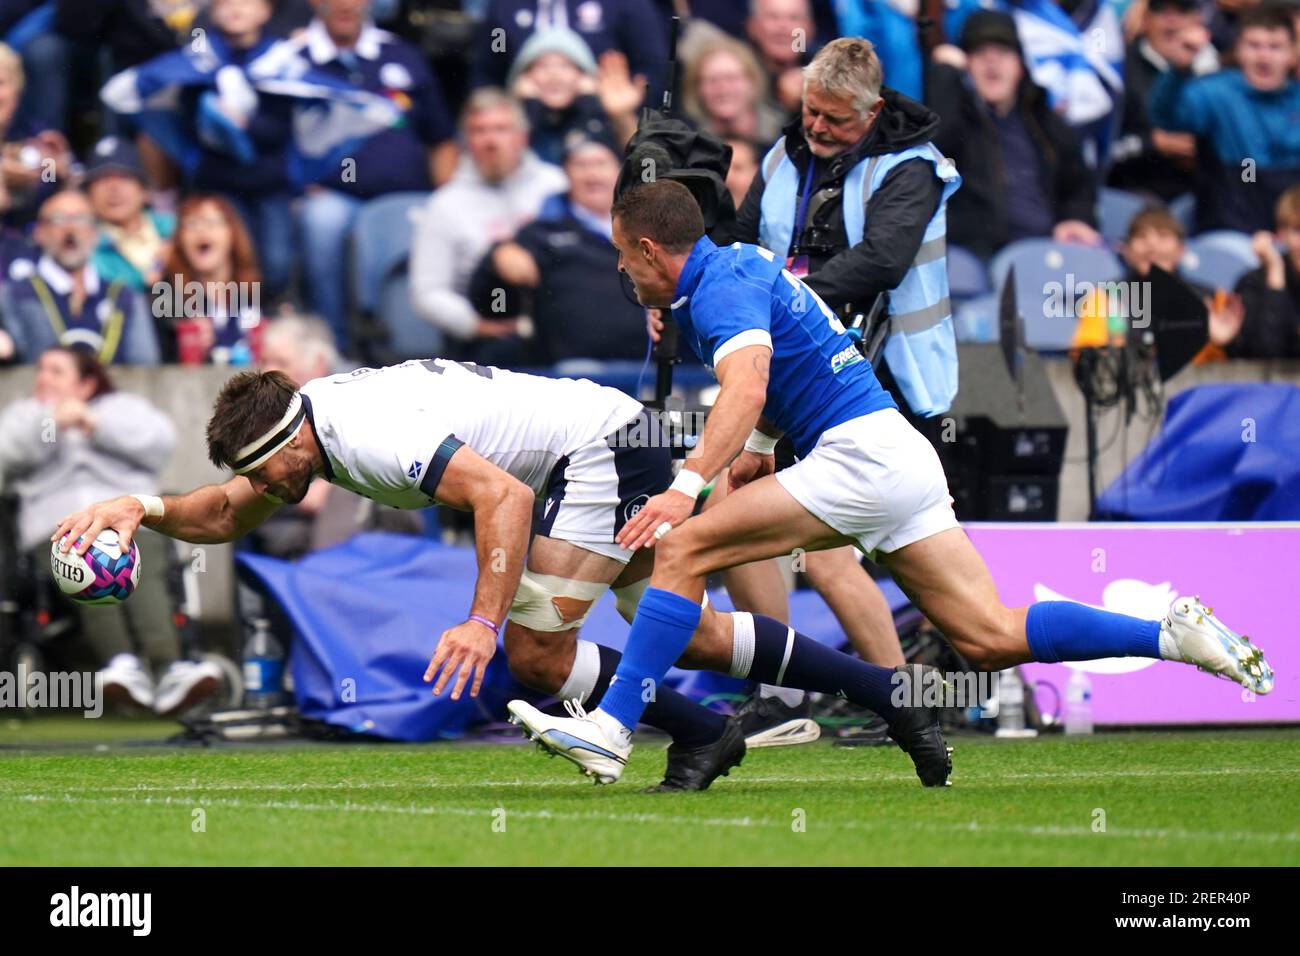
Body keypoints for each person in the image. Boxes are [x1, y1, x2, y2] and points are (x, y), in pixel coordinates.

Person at [505, 179, 1275, 786]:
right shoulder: (739, 268)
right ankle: (1171, 634)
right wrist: (763, 445)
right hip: (896, 454)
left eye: (621, 255)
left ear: (648, 248)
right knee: (987, 635)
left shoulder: (715, 289)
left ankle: (609, 730)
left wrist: (690, 483)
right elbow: (779, 377)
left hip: (858, 455)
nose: (618, 270)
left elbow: (745, 383)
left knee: (682, 549)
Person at [708, 35, 961, 745]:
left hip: (891, 380)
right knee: (746, 516)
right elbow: (746, 246)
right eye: (810, 112)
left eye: (836, 121)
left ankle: (873, 699)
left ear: (873, 111)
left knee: (832, 552)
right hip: (805, 378)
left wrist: (783, 305)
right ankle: (798, 692)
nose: (817, 128)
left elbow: (881, 262)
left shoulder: (913, 170)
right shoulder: (784, 157)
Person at [0, 346, 221, 715]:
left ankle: (169, 669)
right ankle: (123, 664)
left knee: (136, 565)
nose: (43, 377)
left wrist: (92, 424)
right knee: (88, 562)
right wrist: (53, 422)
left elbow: (160, 442)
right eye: (41, 369)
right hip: (57, 527)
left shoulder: (121, 409)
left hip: (128, 520)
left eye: (56, 371)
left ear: (86, 383)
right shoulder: (24, 416)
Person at [288, 0, 457, 351]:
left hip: (407, 197)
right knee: (321, 223)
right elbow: (273, 138)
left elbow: (440, 138)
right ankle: (334, 347)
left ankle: (419, 351)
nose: (345, 4)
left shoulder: (401, 53)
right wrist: (297, 184)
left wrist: (447, 198)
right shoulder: (293, 58)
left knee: (435, 226)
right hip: (331, 196)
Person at [409, 89, 567, 362]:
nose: (490, 140)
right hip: (485, 335)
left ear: (522, 137)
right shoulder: (445, 203)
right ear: (466, 141)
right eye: (479, 131)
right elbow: (427, 292)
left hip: (559, 322)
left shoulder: (555, 185)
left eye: (501, 129)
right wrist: (475, 325)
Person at [928, 11, 1101, 258]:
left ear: (1021, 64)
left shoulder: (1043, 119)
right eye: (980, 53)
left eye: (1003, 51)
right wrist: (946, 74)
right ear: (966, 66)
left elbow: (1079, 185)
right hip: (978, 258)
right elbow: (933, 151)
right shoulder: (957, 121)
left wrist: (1075, 219)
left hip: (1049, 251)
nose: (992, 62)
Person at [485, 132, 648, 363]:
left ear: (620, 170)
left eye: (600, 163)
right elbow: (494, 305)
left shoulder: (649, 227)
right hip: (573, 370)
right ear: (566, 175)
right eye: (580, 165)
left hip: (651, 365)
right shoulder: (542, 233)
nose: (591, 174)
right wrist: (495, 264)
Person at [1148, 2, 1300, 233]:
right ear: (1238, 50)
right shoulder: (1215, 92)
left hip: (1292, 238)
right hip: (1228, 234)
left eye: (1275, 47)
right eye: (1254, 45)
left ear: (1292, 53)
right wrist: (1178, 71)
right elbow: (1164, 117)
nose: (1263, 56)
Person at [0, 189, 161, 365]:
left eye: (81, 219)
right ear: (38, 233)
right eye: (58, 220)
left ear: (97, 233)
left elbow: (146, 367)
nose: (70, 229)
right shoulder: (14, 294)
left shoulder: (124, 297)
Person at [1108, 0, 1219, 202]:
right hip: (1132, 193)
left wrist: (1204, 151)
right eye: (1161, 10)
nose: (1172, 20)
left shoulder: (1218, 72)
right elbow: (1098, 153)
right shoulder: (1116, 68)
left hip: (1205, 198)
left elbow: (1246, 158)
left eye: (1182, 9)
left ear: (1198, 19)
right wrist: (1152, 143)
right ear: (1145, 19)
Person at [506, 28, 642, 166]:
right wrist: (529, 107)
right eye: (542, 66)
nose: (555, 77)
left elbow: (643, 164)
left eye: (565, 66)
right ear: (523, 76)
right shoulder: (503, 120)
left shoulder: (600, 115)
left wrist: (621, 116)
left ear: (585, 76)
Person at [84, 135, 174, 295]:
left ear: (145, 190)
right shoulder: (85, 247)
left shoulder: (176, 229)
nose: (114, 188)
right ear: (88, 195)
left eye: (124, 177)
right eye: (102, 179)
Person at [1234, 183, 1300, 357]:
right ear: (1281, 233)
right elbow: (1265, 353)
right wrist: (1275, 274)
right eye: (1298, 230)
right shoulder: (1253, 282)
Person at [682, 35, 786, 145]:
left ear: (752, 82)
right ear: (697, 89)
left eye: (731, 78)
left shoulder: (785, 134)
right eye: (712, 80)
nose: (723, 88)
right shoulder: (689, 144)